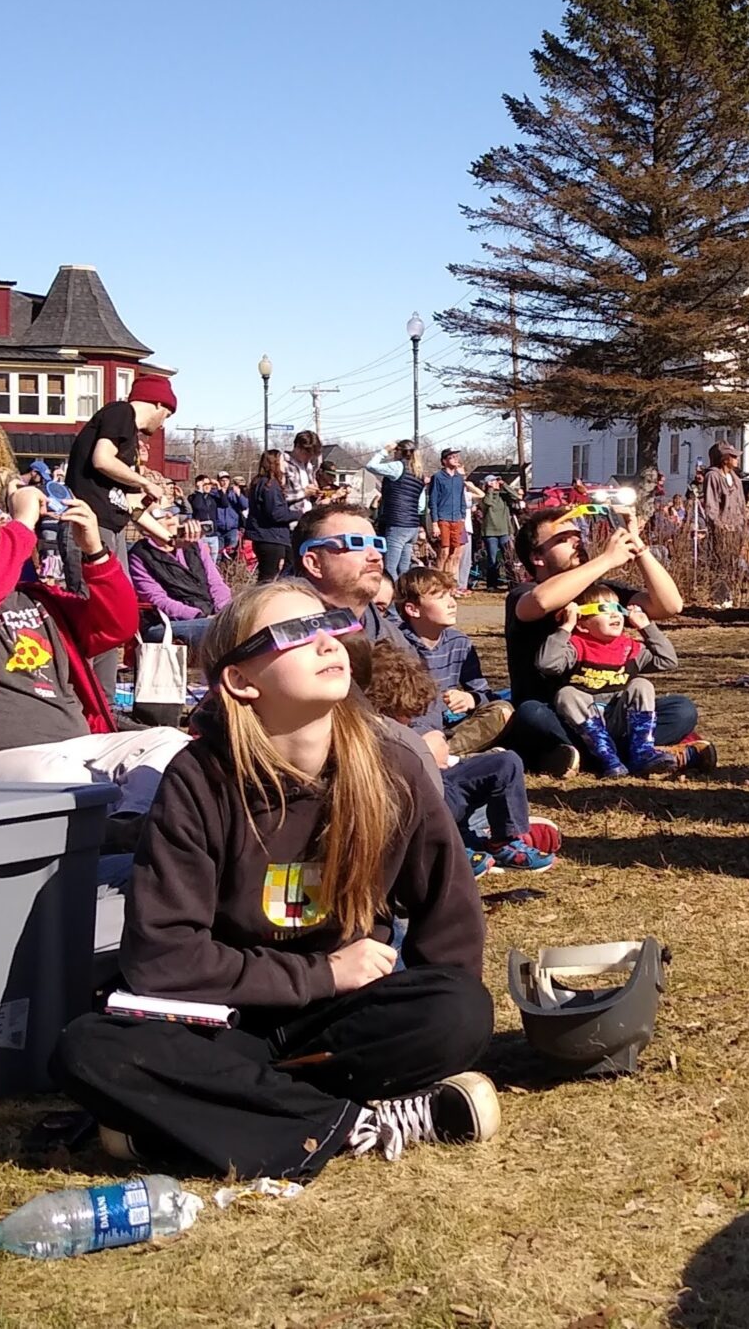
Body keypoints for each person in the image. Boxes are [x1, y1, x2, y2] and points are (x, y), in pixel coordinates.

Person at [52, 580, 498, 1177]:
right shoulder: (199, 779)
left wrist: (438, 1026)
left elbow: (448, 916)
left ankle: (196, 1118)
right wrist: (322, 972)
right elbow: (163, 958)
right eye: (294, 633)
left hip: (338, 1020)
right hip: (223, 1016)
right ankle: (353, 1125)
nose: (327, 642)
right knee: (90, 1048)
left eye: (330, 625)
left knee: (457, 1008)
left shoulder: (393, 767)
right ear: (241, 680)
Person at [0, 493, 182, 802]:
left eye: (4, 515)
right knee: (62, 775)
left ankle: (130, 823)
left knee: (170, 745)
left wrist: (95, 552)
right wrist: (21, 523)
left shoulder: (41, 598)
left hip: (76, 747)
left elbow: (117, 625)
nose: (2, 520)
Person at [504, 501, 706, 776]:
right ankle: (632, 752)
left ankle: (590, 755)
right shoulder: (524, 593)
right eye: (563, 539)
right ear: (537, 557)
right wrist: (607, 559)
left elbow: (670, 606)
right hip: (557, 712)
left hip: (610, 711)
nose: (577, 543)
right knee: (530, 714)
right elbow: (541, 601)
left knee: (682, 710)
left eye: (578, 536)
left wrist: (638, 547)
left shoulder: (602, 592)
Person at [358, 635, 551, 877]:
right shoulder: (370, 734)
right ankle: (452, 847)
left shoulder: (407, 726)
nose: (409, 721)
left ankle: (504, 839)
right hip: (420, 801)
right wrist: (425, 754)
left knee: (506, 762)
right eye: (405, 715)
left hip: (444, 782)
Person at [536, 581, 683, 778]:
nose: (615, 614)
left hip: (621, 721)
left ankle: (642, 751)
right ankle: (606, 756)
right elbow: (547, 664)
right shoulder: (575, 647)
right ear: (582, 623)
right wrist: (566, 627)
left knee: (668, 701)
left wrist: (646, 626)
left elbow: (668, 661)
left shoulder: (630, 649)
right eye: (604, 609)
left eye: (618, 608)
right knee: (556, 700)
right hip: (583, 725)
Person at [395, 567, 515, 757]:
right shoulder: (396, 645)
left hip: (450, 728)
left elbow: (484, 694)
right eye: (440, 597)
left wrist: (470, 699)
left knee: (503, 710)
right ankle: (441, 756)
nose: (452, 603)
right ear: (413, 609)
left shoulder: (459, 643)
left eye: (451, 595)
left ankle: (443, 756)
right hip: (412, 729)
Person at [292, 503, 423, 656]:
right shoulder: (283, 639)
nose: (376, 556)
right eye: (356, 543)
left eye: (377, 545)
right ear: (315, 564)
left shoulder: (395, 643)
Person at [69, 375, 177, 536]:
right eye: (166, 416)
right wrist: (146, 483)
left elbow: (134, 506)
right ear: (158, 404)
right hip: (89, 522)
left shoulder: (131, 444)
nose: (162, 425)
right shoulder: (122, 411)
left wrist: (168, 538)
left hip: (113, 528)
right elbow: (102, 460)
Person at [124, 500, 230, 647]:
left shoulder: (195, 545)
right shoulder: (139, 555)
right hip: (167, 623)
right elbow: (158, 600)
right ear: (145, 526)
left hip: (210, 616)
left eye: (172, 510)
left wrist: (224, 611)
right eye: (159, 513)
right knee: (221, 631)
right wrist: (200, 615)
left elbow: (216, 583)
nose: (170, 515)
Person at [692, 443, 749, 607]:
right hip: (721, 528)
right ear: (724, 459)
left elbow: (741, 503)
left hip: (736, 528)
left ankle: (729, 596)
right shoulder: (713, 476)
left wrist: (743, 522)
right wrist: (718, 525)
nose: (737, 459)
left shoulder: (736, 478)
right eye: (733, 456)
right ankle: (718, 597)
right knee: (719, 563)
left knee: (732, 562)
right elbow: (711, 505)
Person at [367, 441, 427, 581]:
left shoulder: (398, 467)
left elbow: (371, 466)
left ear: (399, 452)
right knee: (403, 569)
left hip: (397, 523)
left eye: (395, 451)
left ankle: (392, 594)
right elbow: (421, 506)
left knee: (390, 568)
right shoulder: (419, 474)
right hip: (412, 526)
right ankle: (405, 592)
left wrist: (385, 450)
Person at [246, 449, 301, 581]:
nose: (285, 464)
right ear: (274, 463)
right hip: (271, 538)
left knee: (287, 566)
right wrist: (298, 514)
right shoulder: (269, 485)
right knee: (268, 578)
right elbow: (276, 514)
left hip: (268, 537)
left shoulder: (259, 482)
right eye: (282, 461)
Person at [425, 449, 472, 589]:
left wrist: (462, 517)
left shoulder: (459, 478)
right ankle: (438, 584)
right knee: (444, 552)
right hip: (443, 518)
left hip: (457, 519)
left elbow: (462, 498)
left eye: (456, 456)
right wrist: (435, 523)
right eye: (452, 457)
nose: (456, 459)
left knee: (455, 553)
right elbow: (433, 501)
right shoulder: (438, 477)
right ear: (444, 461)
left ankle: (451, 585)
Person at [471, 472, 517, 592]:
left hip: (504, 531)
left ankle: (512, 582)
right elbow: (487, 503)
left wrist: (504, 485)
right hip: (490, 532)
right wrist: (490, 489)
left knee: (508, 557)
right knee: (492, 559)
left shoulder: (503, 497)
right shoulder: (484, 497)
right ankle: (492, 584)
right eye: (493, 481)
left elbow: (516, 496)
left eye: (496, 481)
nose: (496, 483)